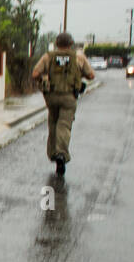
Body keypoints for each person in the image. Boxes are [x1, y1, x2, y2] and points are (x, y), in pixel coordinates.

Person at [31, 32, 94, 176]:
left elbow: (35, 74)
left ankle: (53, 153)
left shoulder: (48, 56)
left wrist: (46, 78)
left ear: (56, 43)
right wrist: (77, 75)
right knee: (64, 125)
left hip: (51, 96)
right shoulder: (78, 57)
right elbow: (91, 75)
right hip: (69, 97)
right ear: (71, 44)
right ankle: (61, 154)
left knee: (53, 123)